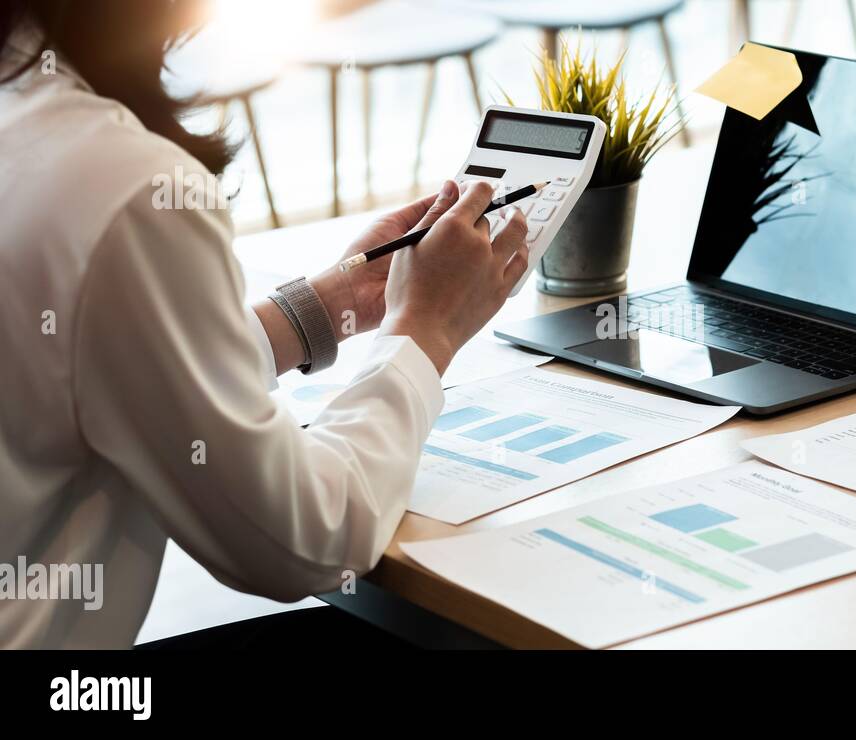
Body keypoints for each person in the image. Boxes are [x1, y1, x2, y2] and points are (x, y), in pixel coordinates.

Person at [0, 0, 529, 648]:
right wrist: (424, 330)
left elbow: (96, 364)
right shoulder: (121, 183)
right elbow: (306, 540)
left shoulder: (27, 112)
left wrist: (320, 309)